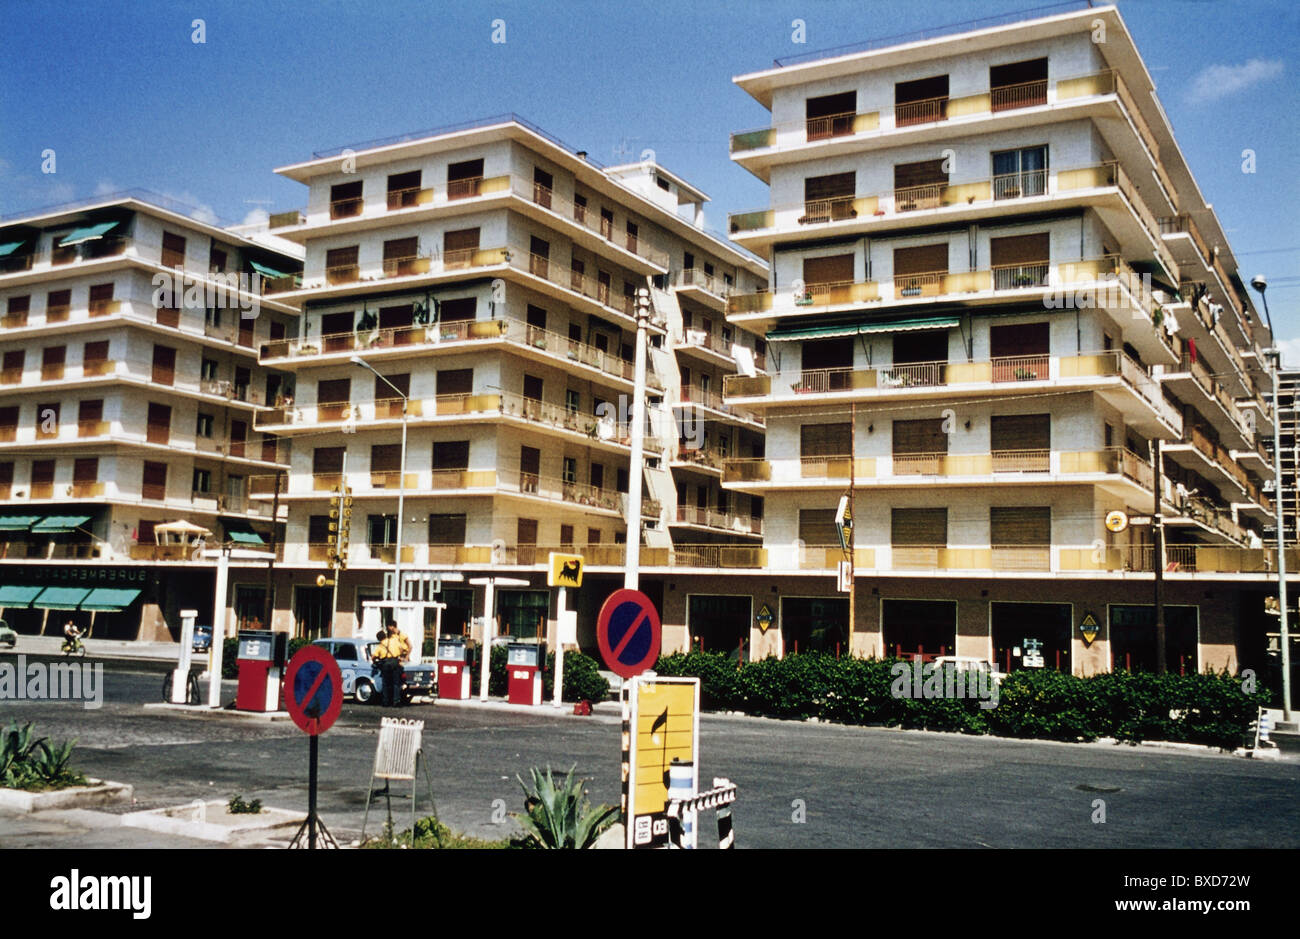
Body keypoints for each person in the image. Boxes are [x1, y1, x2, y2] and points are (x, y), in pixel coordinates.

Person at [374, 622, 410, 708]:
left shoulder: (380, 645)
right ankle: (396, 701)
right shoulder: (395, 641)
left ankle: (385, 701)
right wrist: (401, 656)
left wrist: (375, 660)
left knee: (385, 683)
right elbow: (403, 649)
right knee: (396, 683)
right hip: (395, 662)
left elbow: (374, 656)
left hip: (385, 664)